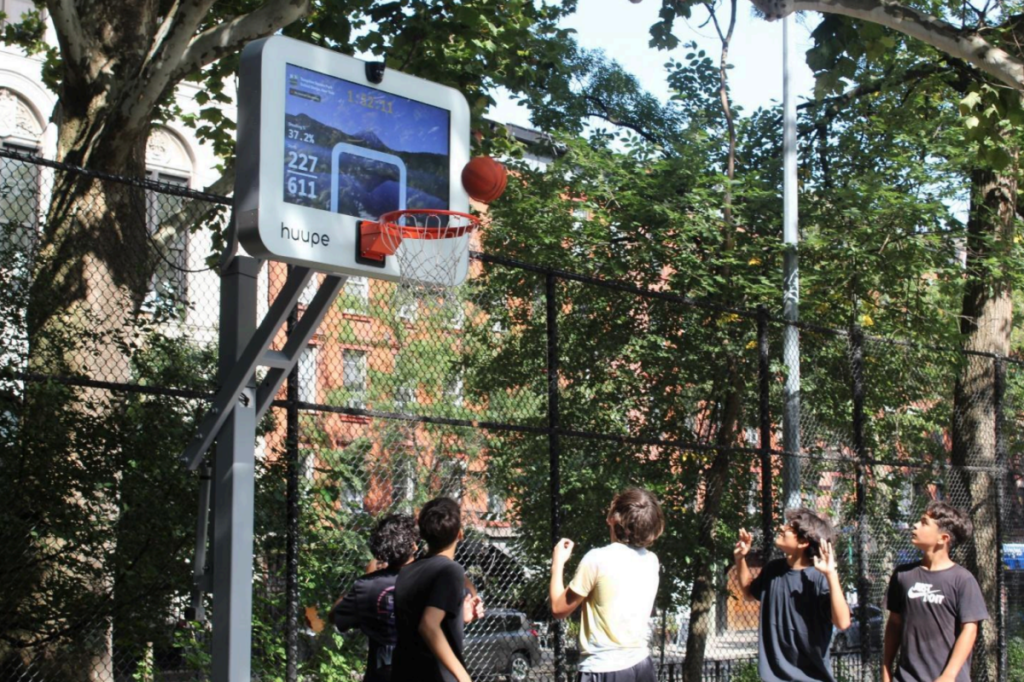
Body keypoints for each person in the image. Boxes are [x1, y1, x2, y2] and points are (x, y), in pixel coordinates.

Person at [549, 488, 665, 682]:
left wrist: (558, 563)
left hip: (604, 668)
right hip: (642, 666)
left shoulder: (597, 559)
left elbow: (558, 609)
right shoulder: (651, 560)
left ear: (614, 519)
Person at [734, 508, 851, 682]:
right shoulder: (773, 570)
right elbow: (748, 593)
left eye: (789, 527)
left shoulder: (819, 578)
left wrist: (831, 575)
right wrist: (740, 559)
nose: (782, 528)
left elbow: (843, 622)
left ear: (803, 542)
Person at [882, 500, 989, 682]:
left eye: (924, 523)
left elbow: (970, 630)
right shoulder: (902, 575)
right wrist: (885, 669)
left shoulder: (963, 580)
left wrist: (948, 675)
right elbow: (894, 623)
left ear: (943, 538)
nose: (915, 525)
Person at [392, 497, 483, 682]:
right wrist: (463, 676)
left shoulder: (407, 571)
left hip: (403, 673)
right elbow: (428, 625)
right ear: (460, 534)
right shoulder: (450, 571)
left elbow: (417, 619)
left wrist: (459, 616)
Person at [330, 513, 420, 682]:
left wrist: (367, 577)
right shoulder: (432, 579)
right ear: (414, 546)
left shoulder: (366, 586)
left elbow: (335, 616)